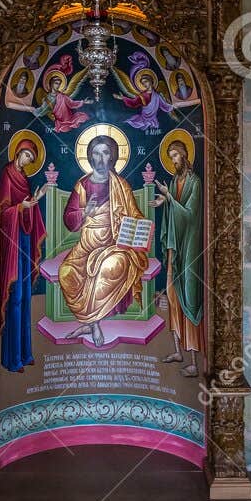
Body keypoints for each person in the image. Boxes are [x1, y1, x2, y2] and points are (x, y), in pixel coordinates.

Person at [57, 134, 148, 347]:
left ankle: (94, 323)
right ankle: (91, 322)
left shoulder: (121, 185)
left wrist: (133, 228)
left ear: (112, 156)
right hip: (86, 246)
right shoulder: (82, 185)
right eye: (96, 153)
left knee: (108, 268)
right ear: (90, 157)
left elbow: (135, 216)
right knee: (66, 273)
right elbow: (69, 221)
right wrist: (84, 212)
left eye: (105, 153)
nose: (100, 158)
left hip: (115, 245)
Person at [151, 136, 202, 376]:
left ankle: (192, 359)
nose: (173, 162)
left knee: (188, 298)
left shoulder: (194, 182)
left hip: (188, 250)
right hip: (174, 247)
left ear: (184, 156)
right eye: (170, 158)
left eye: (176, 157)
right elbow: (175, 208)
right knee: (172, 296)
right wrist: (165, 200)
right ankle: (177, 350)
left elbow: (191, 216)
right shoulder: (173, 181)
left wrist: (169, 198)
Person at [0, 140, 47, 371]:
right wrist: (20, 208)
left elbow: (25, 207)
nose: (28, 161)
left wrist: (32, 204)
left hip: (24, 237)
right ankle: (12, 358)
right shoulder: (7, 174)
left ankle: (25, 354)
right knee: (15, 297)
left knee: (26, 295)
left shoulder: (24, 179)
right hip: (12, 241)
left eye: (31, 159)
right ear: (19, 152)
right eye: (27, 156)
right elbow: (2, 211)